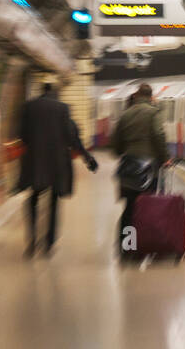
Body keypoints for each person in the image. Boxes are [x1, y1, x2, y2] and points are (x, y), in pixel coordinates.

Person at [18, 76, 98, 257]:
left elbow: (22, 135)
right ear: (55, 93)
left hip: (35, 163)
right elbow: (72, 137)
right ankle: (49, 243)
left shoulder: (28, 107)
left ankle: (31, 241)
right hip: (56, 164)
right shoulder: (62, 109)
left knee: (33, 199)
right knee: (53, 202)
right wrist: (88, 159)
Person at [110, 83, 169, 258]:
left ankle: (127, 248)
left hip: (128, 167)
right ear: (151, 97)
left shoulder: (125, 114)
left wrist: (124, 152)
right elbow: (158, 135)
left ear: (136, 96)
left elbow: (115, 144)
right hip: (148, 169)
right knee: (147, 207)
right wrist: (165, 157)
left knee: (129, 208)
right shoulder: (153, 113)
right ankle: (145, 244)